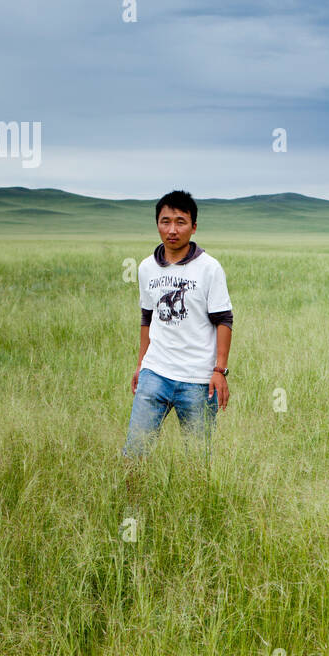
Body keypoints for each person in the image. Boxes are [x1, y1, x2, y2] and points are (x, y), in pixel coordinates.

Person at [121, 189, 233, 458]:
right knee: (134, 453)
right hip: (154, 373)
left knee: (197, 458)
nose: (172, 229)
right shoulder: (147, 267)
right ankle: (131, 502)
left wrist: (219, 370)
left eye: (180, 222)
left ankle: (195, 501)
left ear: (194, 227)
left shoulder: (209, 268)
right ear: (157, 224)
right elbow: (147, 317)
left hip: (198, 379)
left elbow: (224, 320)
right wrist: (141, 364)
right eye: (165, 221)